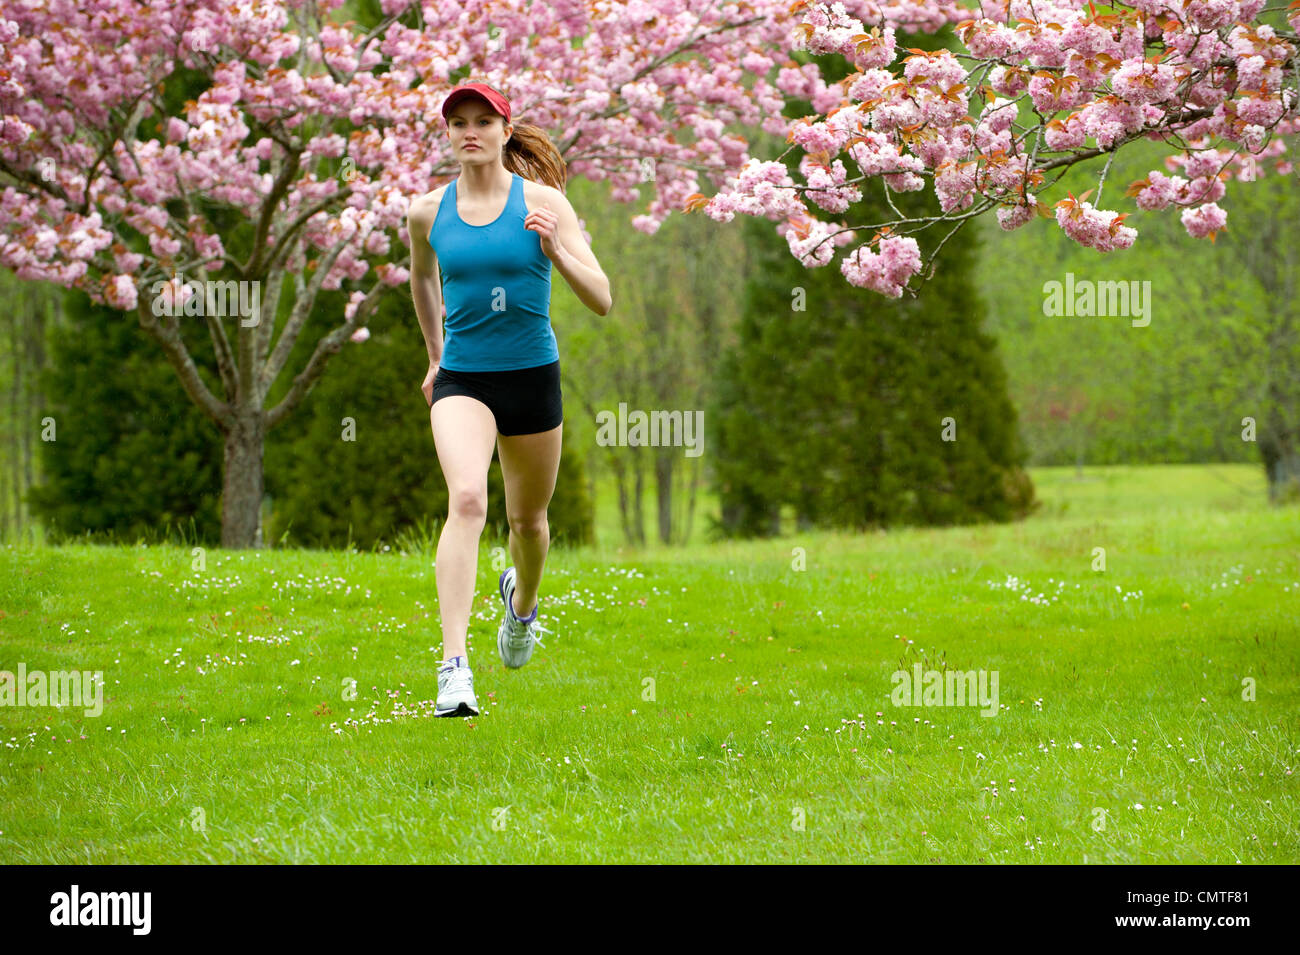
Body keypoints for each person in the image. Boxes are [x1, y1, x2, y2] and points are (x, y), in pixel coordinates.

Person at [405, 82, 612, 717]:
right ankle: (454, 669)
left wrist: (553, 250)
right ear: (447, 134)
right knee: (467, 500)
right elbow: (420, 277)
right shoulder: (425, 212)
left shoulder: (545, 204)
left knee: (529, 524)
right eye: (458, 122)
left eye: (483, 120)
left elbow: (602, 297)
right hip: (464, 380)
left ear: (503, 129)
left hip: (532, 377)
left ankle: (521, 608)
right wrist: (436, 356)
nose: (471, 131)